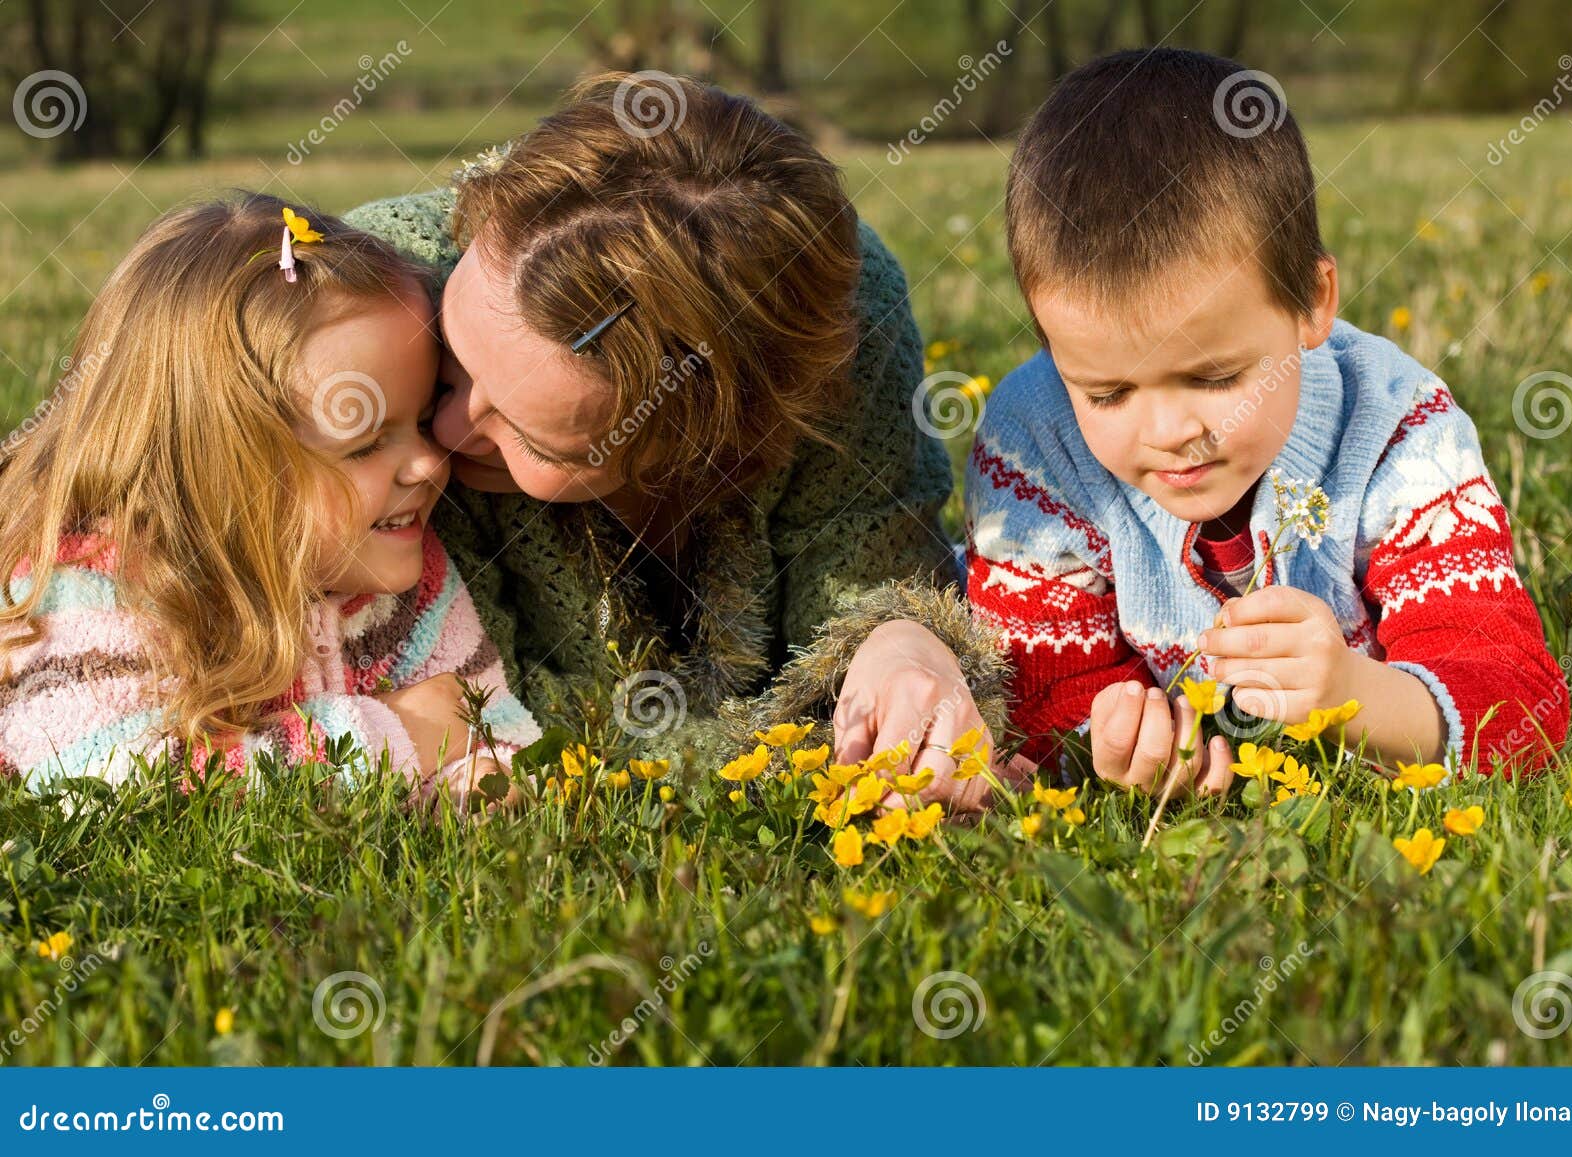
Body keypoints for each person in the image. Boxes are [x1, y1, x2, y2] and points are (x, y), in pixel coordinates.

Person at [345, 73, 1011, 809]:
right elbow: (488, 710)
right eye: (454, 360)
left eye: (536, 438)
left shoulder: (843, 326)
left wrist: (900, 643)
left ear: (708, 443)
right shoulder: (370, 307)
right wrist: (817, 754)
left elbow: (870, 560)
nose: (442, 431)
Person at [966, 48, 1568, 795]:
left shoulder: (1397, 430)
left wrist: (1357, 694)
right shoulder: (1034, 447)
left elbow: (1516, 698)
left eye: (1215, 377)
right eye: (1108, 393)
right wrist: (1115, 741)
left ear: (1313, 303)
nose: (1170, 430)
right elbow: (1038, 687)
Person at [0, 194, 539, 809]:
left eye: (421, 419)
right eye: (364, 446)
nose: (425, 462)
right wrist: (399, 735)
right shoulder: (102, 588)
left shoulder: (403, 578)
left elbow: (488, 724)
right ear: (212, 468)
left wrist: (475, 788)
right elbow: (106, 784)